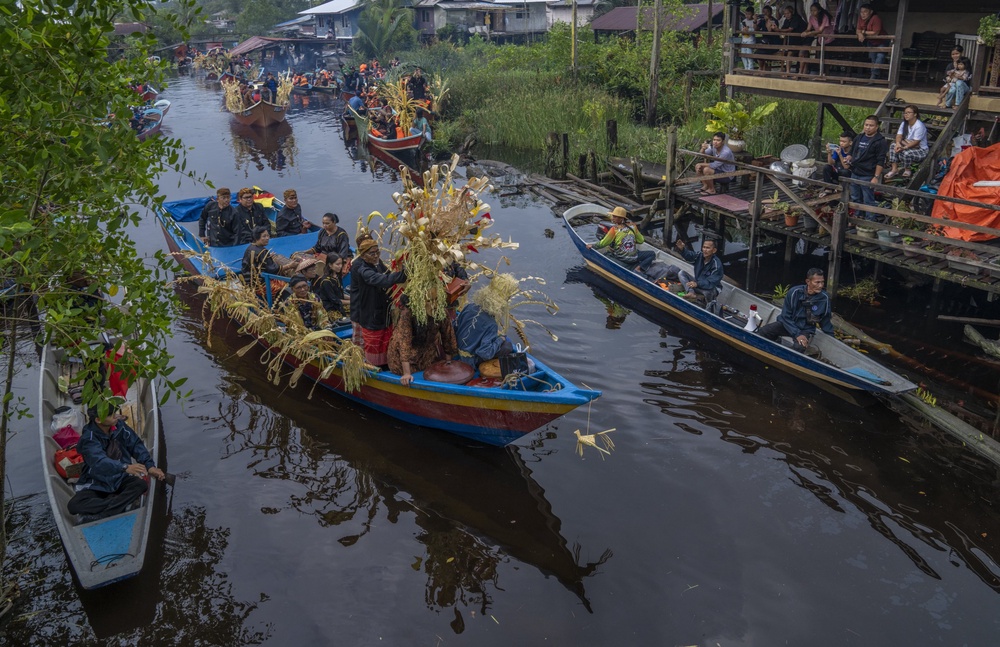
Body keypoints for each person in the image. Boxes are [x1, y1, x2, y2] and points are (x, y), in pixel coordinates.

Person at [67, 402, 165, 522]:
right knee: (74, 505)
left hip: (120, 479)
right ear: (98, 419)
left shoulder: (120, 426)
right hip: (97, 483)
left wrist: (150, 466)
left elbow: (135, 445)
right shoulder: (89, 438)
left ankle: (105, 511)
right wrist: (124, 467)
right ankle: (117, 505)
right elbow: (99, 461)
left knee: (140, 485)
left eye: (114, 413)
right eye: (110, 415)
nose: (116, 416)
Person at [349, 237, 406, 367]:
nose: (376, 256)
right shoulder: (361, 268)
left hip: (380, 308)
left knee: (385, 339)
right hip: (366, 309)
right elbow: (383, 280)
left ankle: (386, 363)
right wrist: (403, 275)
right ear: (363, 255)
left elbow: (388, 274)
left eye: (377, 252)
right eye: (372, 253)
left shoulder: (376, 262)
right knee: (368, 342)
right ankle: (369, 365)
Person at [387, 295, 458, 386]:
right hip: (403, 358)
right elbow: (404, 343)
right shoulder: (409, 313)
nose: (434, 304)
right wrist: (407, 374)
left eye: (436, 299)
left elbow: (448, 337)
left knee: (430, 370)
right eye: (429, 301)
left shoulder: (441, 312)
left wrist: (449, 364)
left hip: (426, 355)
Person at [758, 268, 834, 352]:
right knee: (763, 332)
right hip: (788, 324)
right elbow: (785, 316)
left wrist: (833, 340)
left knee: (799, 348)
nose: (820, 286)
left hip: (805, 329)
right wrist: (797, 334)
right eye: (817, 282)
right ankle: (774, 344)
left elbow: (825, 321)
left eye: (822, 282)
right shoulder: (794, 292)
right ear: (808, 281)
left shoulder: (824, 299)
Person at [455, 274, 519, 368]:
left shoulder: (470, 307)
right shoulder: (491, 323)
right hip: (471, 361)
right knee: (507, 344)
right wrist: (500, 340)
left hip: (457, 350)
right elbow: (485, 353)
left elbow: (455, 326)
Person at [842, 115, 888, 221]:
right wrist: (848, 158)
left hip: (868, 174)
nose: (868, 127)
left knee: (868, 200)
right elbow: (851, 153)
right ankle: (858, 217)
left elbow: (881, 160)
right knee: (855, 197)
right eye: (866, 125)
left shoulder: (880, 141)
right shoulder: (859, 137)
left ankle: (870, 221)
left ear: (876, 127)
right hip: (855, 171)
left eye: (871, 125)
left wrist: (876, 177)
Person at [587, 206, 656, 273]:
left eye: (614, 216)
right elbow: (641, 240)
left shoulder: (614, 229)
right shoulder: (633, 226)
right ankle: (638, 268)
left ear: (621, 218)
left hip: (621, 257)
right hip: (634, 257)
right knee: (652, 254)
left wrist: (592, 246)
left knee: (609, 249)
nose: (612, 218)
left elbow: (603, 243)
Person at [663, 237, 724, 302]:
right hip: (698, 284)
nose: (705, 250)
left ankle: (697, 294)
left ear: (714, 250)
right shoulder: (700, 255)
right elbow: (690, 256)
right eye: (704, 247)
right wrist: (683, 249)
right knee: (681, 273)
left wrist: (697, 284)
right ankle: (691, 292)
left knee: (708, 293)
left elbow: (710, 283)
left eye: (708, 248)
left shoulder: (717, 264)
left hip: (711, 288)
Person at [241, 225, 297, 290]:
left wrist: (267, 257)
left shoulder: (249, 248)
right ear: (256, 237)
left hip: (247, 281)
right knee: (287, 287)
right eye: (264, 236)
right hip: (260, 284)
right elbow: (273, 270)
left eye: (268, 236)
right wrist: (289, 266)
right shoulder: (263, 251)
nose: (267, 238)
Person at [885, 105, 928, 180]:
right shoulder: (904, 123)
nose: (906, 115)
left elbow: (916, 142)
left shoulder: (919, 126)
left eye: (908, 113)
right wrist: (898, 143)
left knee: (905, 153)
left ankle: (907, 169)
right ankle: (894, 169)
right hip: (908, 145)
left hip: (921, 150)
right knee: (893, 145)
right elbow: (899, 135)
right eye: (905, 113)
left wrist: (904, 147)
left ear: (915, 114)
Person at [314, 253, 350, 321]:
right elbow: (335, 300)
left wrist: (354, 297)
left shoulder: (337, 276)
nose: (340, 266)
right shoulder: (326, 281)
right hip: (331, 309)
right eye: (337, 264)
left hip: (340, 305)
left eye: (341, 264)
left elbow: (341, 294)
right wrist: (352, 301)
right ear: (330, 265)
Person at [800, 3, 833, 75]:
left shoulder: (825, 17)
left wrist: (809, 33)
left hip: (828, 37)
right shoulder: (811, 18)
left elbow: (820, 30)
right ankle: (820, 73)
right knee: (819, 55)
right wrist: (805, 32)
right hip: (820, 38)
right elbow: (808, 28)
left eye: (814, 10)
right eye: (811, 10)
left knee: (826, 56)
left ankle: (826, 74)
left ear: (819, 10)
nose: (812, 12)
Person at [855, 4, 887, 81]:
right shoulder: (860, 19)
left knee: (880, 57)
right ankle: (874, 76)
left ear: (871, 12)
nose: (863, 14)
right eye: (861, 12)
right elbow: (857, 30)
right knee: (873, 59)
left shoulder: (875, 18)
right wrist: (860, 34)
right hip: (871, 42)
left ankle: (874, 75)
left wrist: (864, 32)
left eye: (865, 12)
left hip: (881, 41)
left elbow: (876, 32)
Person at [776, 5, 807, 73]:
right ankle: (788, 72)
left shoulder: (796, 18)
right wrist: (777, 29)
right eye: (785, 14)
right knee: (789, 54)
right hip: (794, 41)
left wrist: (778, 30)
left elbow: (790, 29)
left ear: (792, 12)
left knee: (802, 55)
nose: (787, 15)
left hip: (803, 40)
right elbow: (783, 29)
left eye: (788, 13)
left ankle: (802, 73)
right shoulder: (786, 20)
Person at [739, 6, 758, 70]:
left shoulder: (754, 21)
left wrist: (748, 29)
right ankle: (746, 67)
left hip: (750, 40)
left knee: (749, 54)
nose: (747, 15)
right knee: (743, 55)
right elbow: (741, 31)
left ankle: (750, 68)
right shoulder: (744, 21)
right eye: (746, 14)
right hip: (744, 40)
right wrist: (744, 30)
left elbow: (755, 30)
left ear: (752, 14)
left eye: (749, 14)